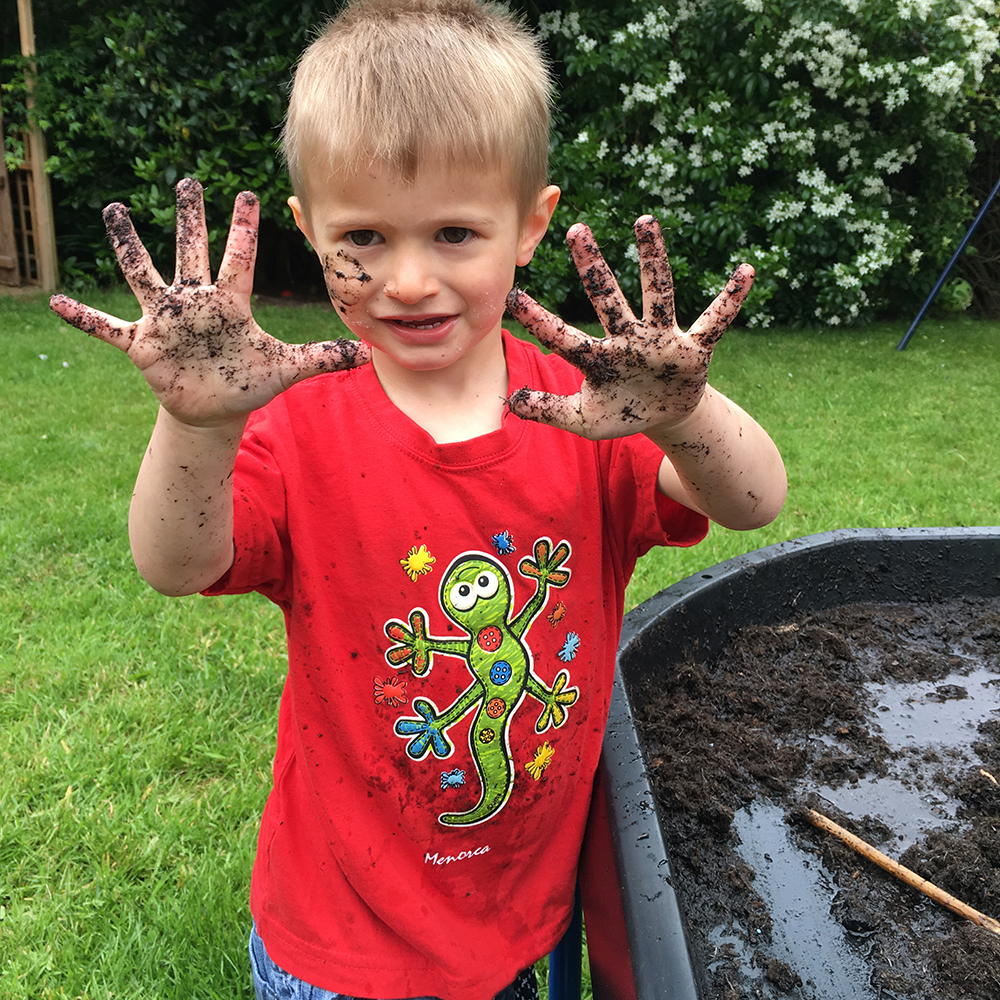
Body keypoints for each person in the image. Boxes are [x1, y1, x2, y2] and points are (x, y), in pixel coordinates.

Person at [50, 0, 786, 997]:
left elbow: (753, 500)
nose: (406, 280)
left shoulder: (584, 416)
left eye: (453, 233)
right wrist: (198, 424)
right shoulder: (298, 426)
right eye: (363, 236)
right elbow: (174, 565)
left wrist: (681, 411)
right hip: (345, 939)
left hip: (527, 912)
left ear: (529, 224)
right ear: (308, 230)